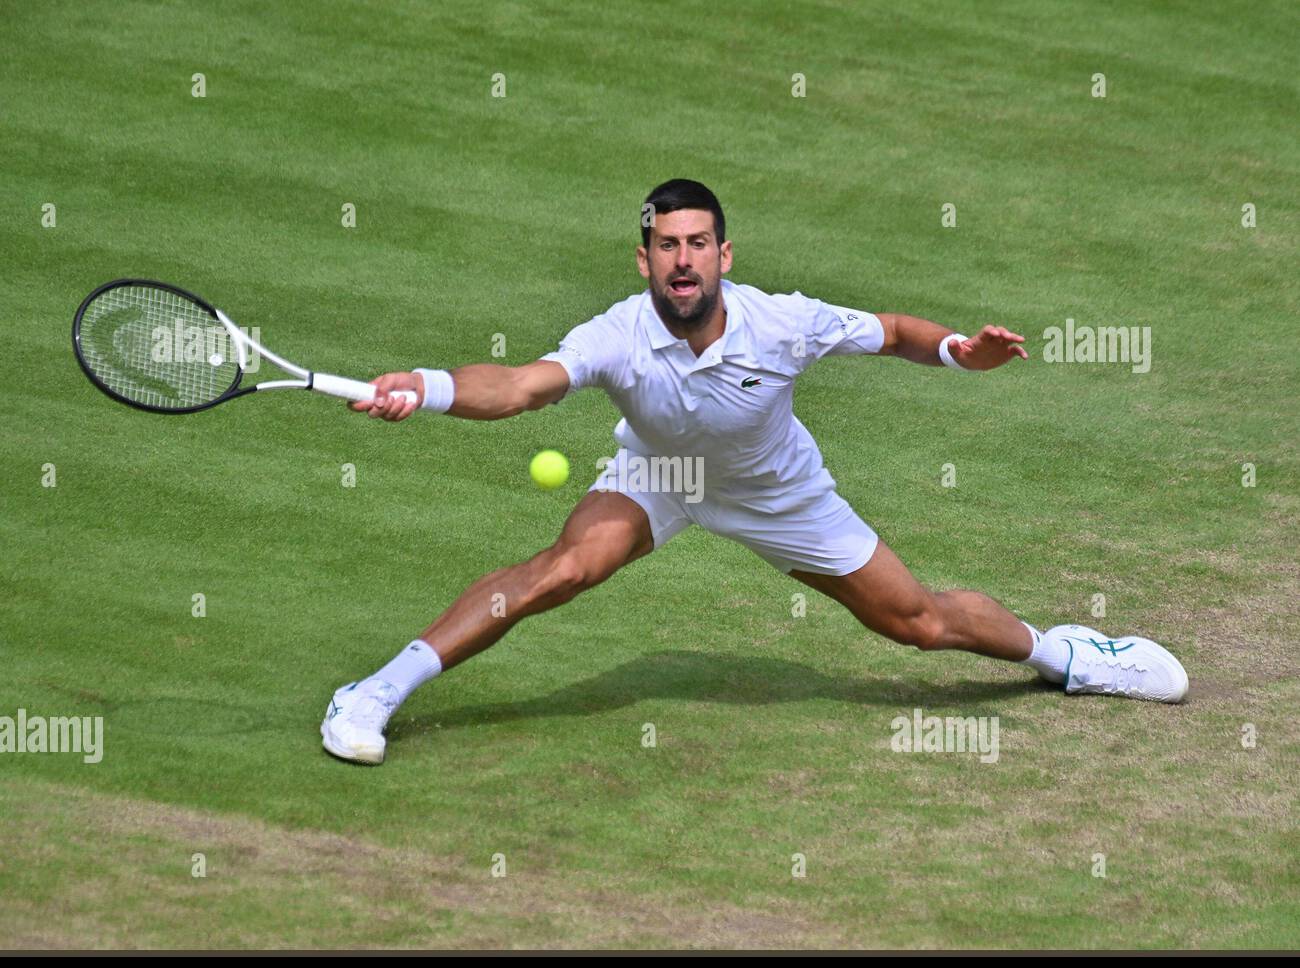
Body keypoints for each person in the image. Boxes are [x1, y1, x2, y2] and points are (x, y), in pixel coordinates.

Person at [322, 179, 1187, 765]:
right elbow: (517, 387)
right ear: (645, 260)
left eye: (699, 243)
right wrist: (425, 389)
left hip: (778, 491)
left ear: (725, 255)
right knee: (560, 570)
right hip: (661, 474)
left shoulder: (785, 323)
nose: (684, 260)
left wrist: (961, 353)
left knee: (919, 624)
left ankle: (1068, 655)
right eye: (667, 246)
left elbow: (889, 330)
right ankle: (371, 692)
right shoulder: (615, 333)